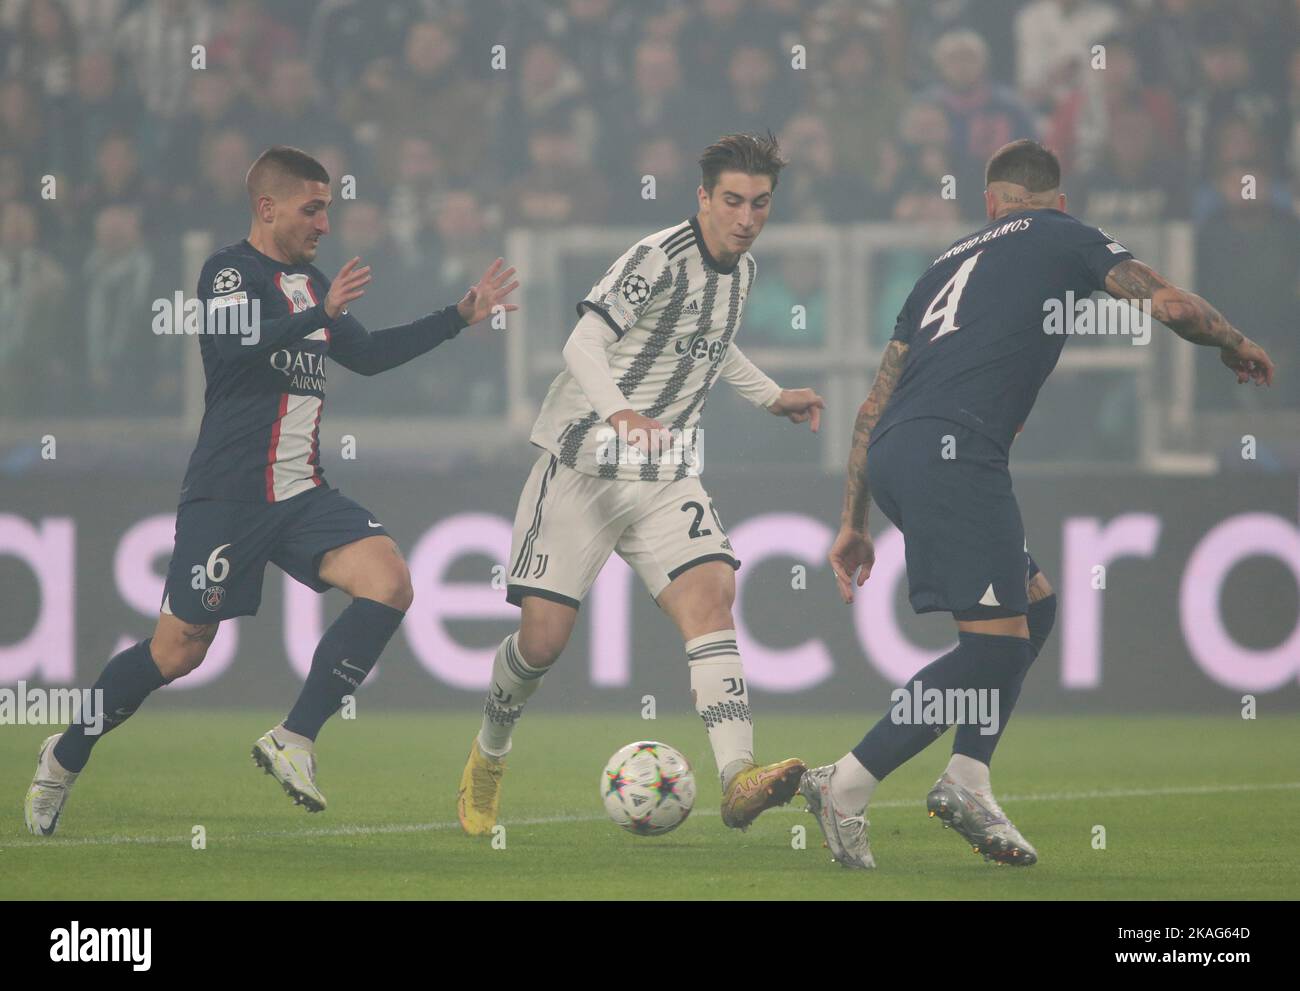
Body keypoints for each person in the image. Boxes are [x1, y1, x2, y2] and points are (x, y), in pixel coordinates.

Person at [804, 139, 1275, 869]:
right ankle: (848, 783)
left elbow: (872, 403)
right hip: (956, 450)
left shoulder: (937, 270)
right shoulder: (1065, 234)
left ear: (990, 203)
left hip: (898, 451)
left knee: (1038, 607)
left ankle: (967, 776)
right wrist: (1235, 342)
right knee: (995, 647)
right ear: (1058, 200)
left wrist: (852, 521)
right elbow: (1171, 303)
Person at [24, 146, 518, 836]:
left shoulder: (314, 284)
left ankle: (295, 736)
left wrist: (457, 317)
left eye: (328, 209)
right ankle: (66, 752)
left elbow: (369, 356)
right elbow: (235, 348)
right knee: (178, 651)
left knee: (390, 581)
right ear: (267, 207)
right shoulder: (230, 270)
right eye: (312, 207)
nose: (324, 222)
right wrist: (317, 314)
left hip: (302, 492)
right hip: (228, 493)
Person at [457, 133, 825, 836]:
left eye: (760, 203)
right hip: (582, 464)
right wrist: (620, 411)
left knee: (713, 593)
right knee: (542, 641)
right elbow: (581, 344)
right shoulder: (656, 257)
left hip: (663, 473)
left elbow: (714, 346)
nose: (747, 217)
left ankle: (738, 776)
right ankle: (489, 755)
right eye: (733, 201)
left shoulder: (741, 273)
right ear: (703, 198)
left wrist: (771, 395)